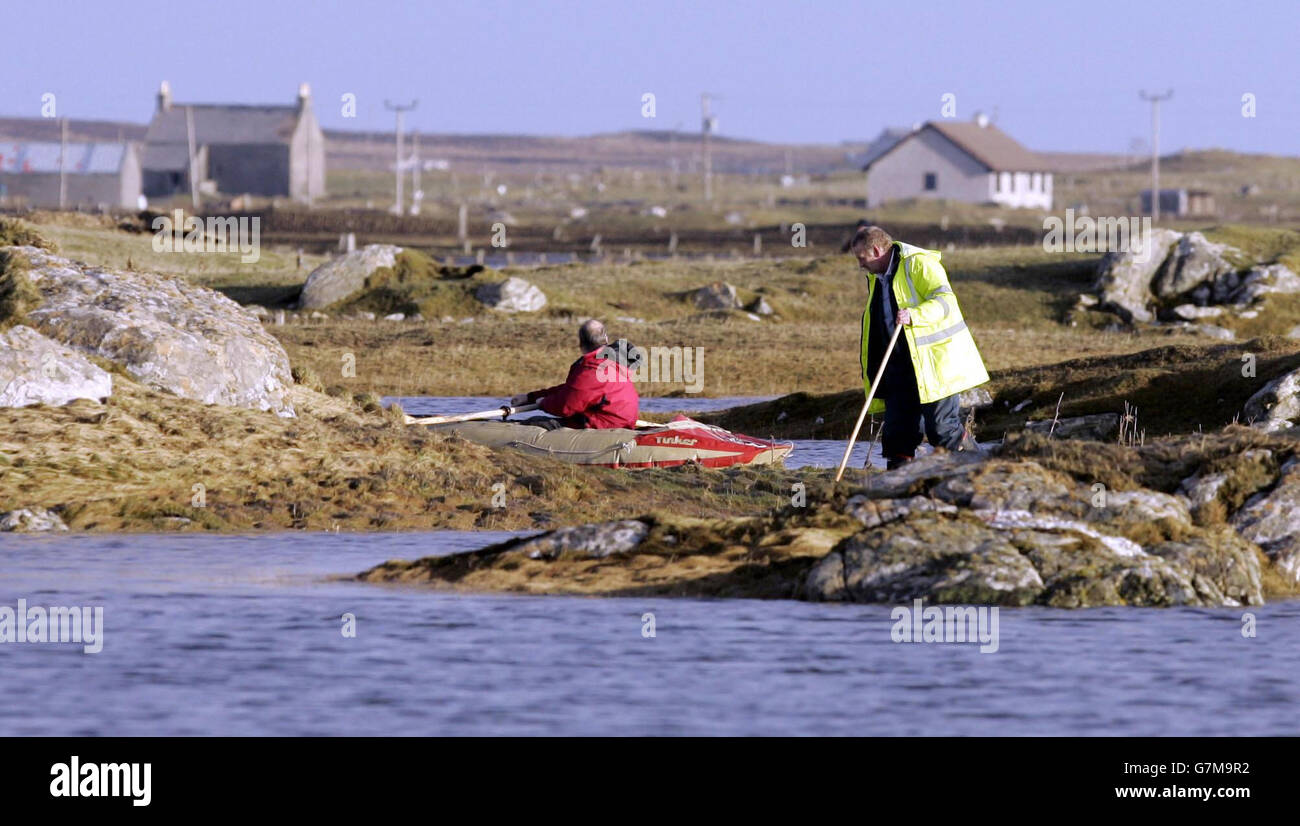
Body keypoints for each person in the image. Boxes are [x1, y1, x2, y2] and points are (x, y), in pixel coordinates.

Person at [849, 224, 988, 469]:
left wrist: (916, 315)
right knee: (897, 434)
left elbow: (946, 301)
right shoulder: (877, 278)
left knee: (942, 430)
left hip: (934, 364)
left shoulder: (919, 264)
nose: (860, 264)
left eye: (862, 258)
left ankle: (984, 470)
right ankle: (896, 487)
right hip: (898, 367)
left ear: (877, 250)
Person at [510, 319, 640, 429]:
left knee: (536, 423)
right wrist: (530, 397)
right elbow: (572, 390)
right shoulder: (613, 361)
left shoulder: (593, 368)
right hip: (621, 421)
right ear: (605, 339)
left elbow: (566, 406)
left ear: (581, 343)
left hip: (604, 424)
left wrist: (543, 403)